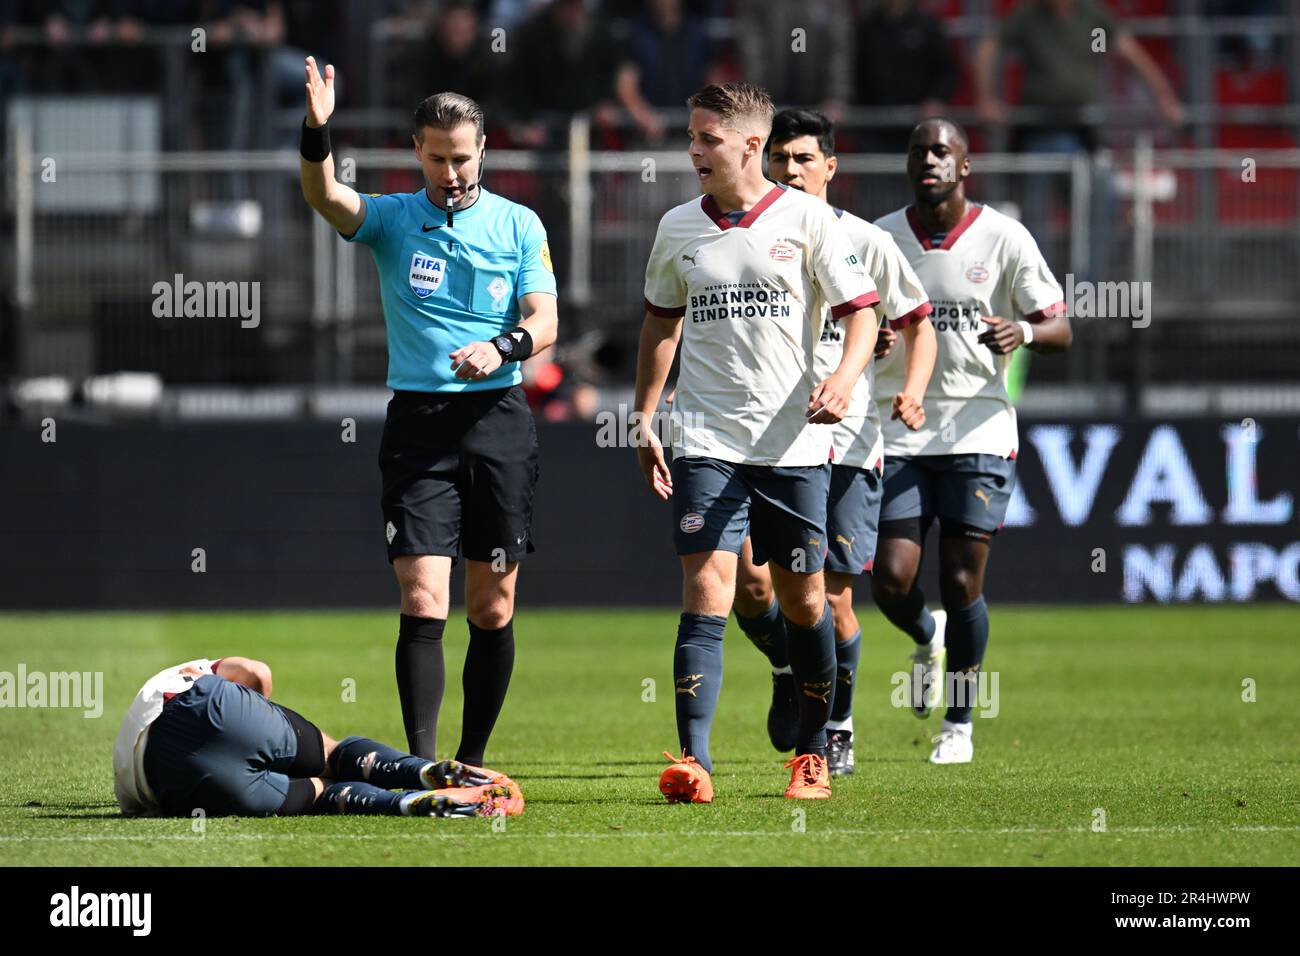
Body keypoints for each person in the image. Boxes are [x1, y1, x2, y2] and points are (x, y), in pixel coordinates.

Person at [297, 58, 559, 767]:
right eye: (438, 158)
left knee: (492, 607)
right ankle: (421, 765)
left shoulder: (518, 224)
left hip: (499, 422)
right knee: (422, 599)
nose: (452, 171)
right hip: (418, 426)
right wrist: (316, 128)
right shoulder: (391, 220)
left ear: (483, 152)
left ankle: (471, 761)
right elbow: (323, 195)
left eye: (464, 157)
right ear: (418, 151)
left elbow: (545, 321)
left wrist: (500, 346)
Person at [635, 83, 880, 802]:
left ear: (749, 145)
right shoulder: (679, 226)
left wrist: (841, 379)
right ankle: (694, 762)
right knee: (708, 588)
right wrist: (646, 415)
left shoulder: (807, 219)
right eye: (691, 136)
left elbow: (862, 316)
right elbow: (660, 325)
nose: (693, 150)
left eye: (707, 138)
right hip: (706, 438)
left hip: (795, 446)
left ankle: (811, 755)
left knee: (807, 604)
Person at [733, 109, 936, 776]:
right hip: (767, 440)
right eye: (779, 159)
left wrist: (911, 386)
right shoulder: (748, 237)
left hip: (846, 444)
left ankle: (836, 728)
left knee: (834, 597)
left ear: (829, 167)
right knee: (752, 588)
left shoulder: (869, 244)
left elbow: (918, 324)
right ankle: (790, 668)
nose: (789, 171)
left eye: (802, 158)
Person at [870, 119, 1073, 764]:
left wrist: (1026, 333)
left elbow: (1060, 325)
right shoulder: (879, 238)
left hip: (980, 429)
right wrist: (871, 343)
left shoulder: (1004, 236)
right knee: (893, 581)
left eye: (942, 150)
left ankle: (959, 724)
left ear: (965, 164)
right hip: (898, 428)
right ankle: (924, 637)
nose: (929, 160)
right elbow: (853, 321)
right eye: (918, 151)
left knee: (961, 581)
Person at [113, 656, 523, 817]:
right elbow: (258, 674)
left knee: (319, 792)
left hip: (170, 779)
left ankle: (407, 802)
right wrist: (262, 720)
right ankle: (423, 770)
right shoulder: (192, 671)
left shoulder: (124, 780)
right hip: (204, 704)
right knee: (332, 752)